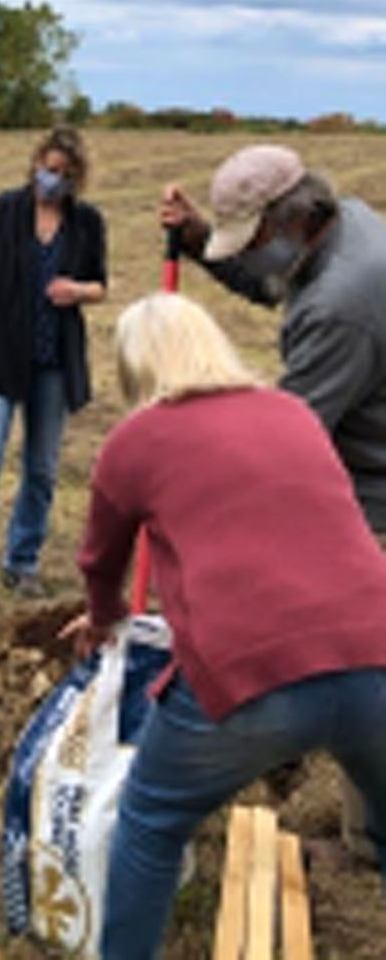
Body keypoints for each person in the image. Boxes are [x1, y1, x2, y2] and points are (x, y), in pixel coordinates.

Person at [68, 292, 386, 960]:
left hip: (247, 678)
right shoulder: (292, 412)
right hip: (372, 653)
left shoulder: (137, 439)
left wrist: (102, 621)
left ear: (134, 368)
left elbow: (100, 560)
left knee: (152, 822)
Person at [160, 141, 386, 861]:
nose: (251, 258)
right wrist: (200, 243)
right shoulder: (338, 223)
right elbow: (270, 282)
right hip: (362, 461)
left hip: (375, 496)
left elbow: (286, 445)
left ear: (291, 219)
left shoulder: (342, 305)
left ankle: (368, 842)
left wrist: (192, 491)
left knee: (366, 665)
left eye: (247, 242)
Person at [0, 125, 107, 621]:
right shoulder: (1, 211)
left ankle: (22, 562)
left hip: (53, 364)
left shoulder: (87, 223)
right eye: (48, 169)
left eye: (65, 174)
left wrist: (78, 291)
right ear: (35, 164)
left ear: (78, 179)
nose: (53, 180)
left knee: (42, 470)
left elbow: (101, 284)